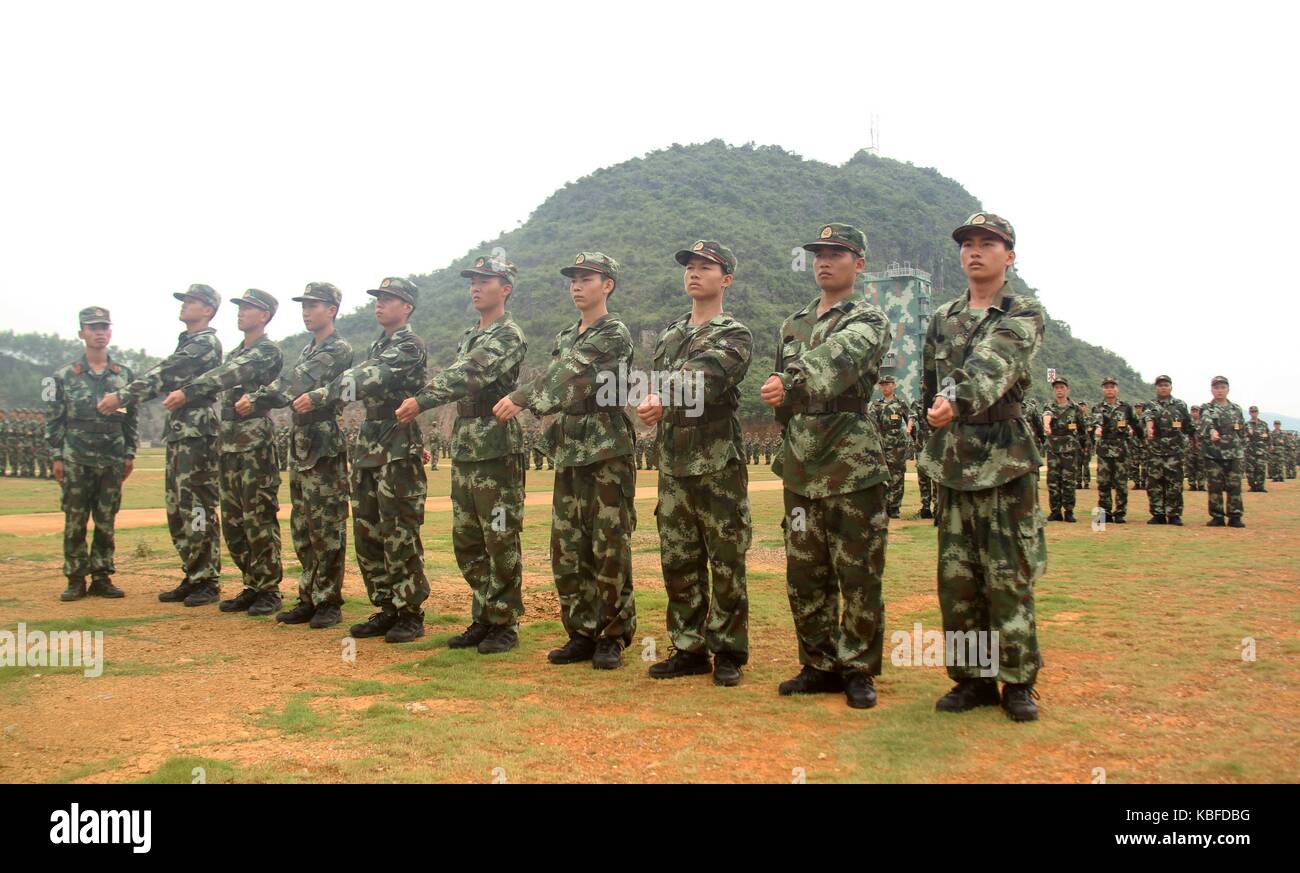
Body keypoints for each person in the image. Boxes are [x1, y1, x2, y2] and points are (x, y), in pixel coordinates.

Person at [920, 212, 1046, 722]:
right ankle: (972, 680)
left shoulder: (1024, 312)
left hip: (1005, 459)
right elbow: (928, 380)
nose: (975, 251)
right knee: (959, 578)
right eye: (968, 244)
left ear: (1009, 256)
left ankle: (1017, 682)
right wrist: (935, 409)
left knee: (1007, 573)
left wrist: (956, 396)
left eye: (988, 244)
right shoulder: (942, 317)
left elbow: (997, 361)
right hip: (953, 459)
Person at [763, 223, 891, 710]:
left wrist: (790, 380)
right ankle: (817, 664)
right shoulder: (792, 324)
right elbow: (782, 395)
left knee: (858, 570)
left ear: (857, 264)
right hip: (800, 462)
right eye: (818, 253)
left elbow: (841, 358)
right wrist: (785, 399)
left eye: (837, 253)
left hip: (851, 461)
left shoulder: (869, 319)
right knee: (805, 570)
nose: (824, 260)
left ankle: (858, 668)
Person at [495, 253, 637, 670]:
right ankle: (581, 631)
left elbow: (569, 373)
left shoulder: (613, 332)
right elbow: (561, 384)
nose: (577, 285)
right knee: (568, 546)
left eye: (586, 278)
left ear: (607, 284)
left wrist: (520, 398)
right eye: (573, 278)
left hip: (606, 446)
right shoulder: (564, 334)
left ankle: (612, 635)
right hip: (571, 446)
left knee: (609, 544)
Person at [397, 254, 529, 655]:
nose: (476, 286)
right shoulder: (471, 334)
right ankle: (484, 615)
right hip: (467, 441)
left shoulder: (509, 335)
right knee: (467, 537)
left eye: (485, 280)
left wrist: (422, 400)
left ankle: (504, 622)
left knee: (499, 535)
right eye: (473, 280)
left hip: (497, 445)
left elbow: (470, 374)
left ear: (504, 289)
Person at [638, 240, 753, 687]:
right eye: (689, 266)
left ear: (725, 278)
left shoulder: (735, 333)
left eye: (706, 266)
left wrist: (660, 396)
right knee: (678, 558)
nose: (694, 272)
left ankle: (727, 650)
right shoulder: (670, 334)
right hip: (674, 460)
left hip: (717, 460)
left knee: (726, 558)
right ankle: (688, 647)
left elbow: (707, 374)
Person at [297, 277, 429, 642]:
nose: (379, 304)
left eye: (389, 299)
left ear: (407, 307)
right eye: (378, 298)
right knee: (368, 531)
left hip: (398, 445)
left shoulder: (409, 344)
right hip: (371, 443)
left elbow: (370, 376)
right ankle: (386, 605)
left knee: (398, 530)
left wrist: (324, 393)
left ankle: (410, 611)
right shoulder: (377, 344)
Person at [100, 285, 223, 606]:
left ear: (208, 310)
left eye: (192, 302)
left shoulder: (205, 343)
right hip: (182, 430)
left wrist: (121, 397)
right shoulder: (189, 342)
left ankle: (206, 579)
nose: (185, 306)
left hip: (197, 433)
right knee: (178, 507)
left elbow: (165, 373)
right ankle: (193, 573)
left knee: (196, 506)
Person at [245, 282, 353, 629]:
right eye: (304, 305)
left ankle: (328, 600)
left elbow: (298, 380)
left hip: (323, 442)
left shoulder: (337, 349)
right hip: (301, 440)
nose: (307, 311)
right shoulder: (309, 348)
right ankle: (308, 596)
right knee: (303, 526)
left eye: (314, 305)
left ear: (332, 309)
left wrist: (258, 398)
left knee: (327, 526)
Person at [170, 289, 285, 615]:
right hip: (230, 442)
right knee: (235, 521)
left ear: (263, 315)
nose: (241, 312)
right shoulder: (234, 351)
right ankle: (251, 583)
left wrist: (188, 391)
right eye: (240, 307)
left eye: (248, 308)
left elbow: (226, 376)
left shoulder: (267, 351)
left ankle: (269, 589)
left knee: (258, 516)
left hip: (255, 443)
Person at [47, 307, 138, 601]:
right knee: (75, 520)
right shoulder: (62, 376)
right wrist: (56, 456)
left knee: (106, 519)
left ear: (110, 333)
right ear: (81, 333)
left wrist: (130, 453)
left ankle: (102, 576)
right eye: (93, 327)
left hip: (112, 456)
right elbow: (54, 419)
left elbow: (130, 418)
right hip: (76, 457)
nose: (99, 332)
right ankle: (75, 578)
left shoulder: (124, 375)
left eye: (104, 327)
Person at [1141, 375, 1192, 525]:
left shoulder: (1180, 405)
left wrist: (1186, 442)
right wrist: (1149, 428)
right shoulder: (1149, 404)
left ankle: (1174, 514)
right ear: (1156, 387)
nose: (1163, 387)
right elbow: (1146, 418)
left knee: (1174, 483)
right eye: (1160, 385)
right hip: (1155, 449)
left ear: (1171, 387)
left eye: (1166, 384)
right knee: (1154, 483)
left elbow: (1188, 426)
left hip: (1175, 450)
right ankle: (1158, 514)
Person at [1198, 376, 1246, 528]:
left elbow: (1241, 429)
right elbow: (1206, 421)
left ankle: (1235, 516)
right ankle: (1217, 516)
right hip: (1214, 453)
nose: (1219, 391)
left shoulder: (1236, 409)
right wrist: (1212, 431)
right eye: (1216, 388)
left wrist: (1240, 446)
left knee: (1235, 485)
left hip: (1234, 453)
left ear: (1228, 390)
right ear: (1212, 390)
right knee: (1214, 486)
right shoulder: (1207, 407)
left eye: (1222, 387)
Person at [1091, 377, 1137, 524]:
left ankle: (1120, 513)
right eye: (1106, 387)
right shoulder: (1098, 407)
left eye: (1112, 387)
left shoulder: (1126, 408)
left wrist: (1143, 438)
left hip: (1121, 449)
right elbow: (1096, 421)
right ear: (1103, 390)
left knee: (1121, 483)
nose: (1109, 389)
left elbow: (1136, 424)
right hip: (1104, 449)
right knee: (1103, 483)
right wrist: (1097, 428)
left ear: (1117, 389)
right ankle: (1104, 514)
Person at [870, 375, 911, 519]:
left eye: (888, 384)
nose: (885, 387)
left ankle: (895, 508)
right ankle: (883, 507)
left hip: (898, 448)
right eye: (882, 385)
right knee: (882, 478)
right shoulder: (875, 405)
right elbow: (871, 425)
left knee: (898, 477)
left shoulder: (900, 403)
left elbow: (911, 417)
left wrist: (910, 432)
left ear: (894, 386)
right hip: (881, 447)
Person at [1043, 377, 1081, 522]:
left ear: (1067, 389)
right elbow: (1046, 415)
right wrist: (1046, 426)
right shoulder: (1049, 406)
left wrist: (1083, 446)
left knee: (1069, 481)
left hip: (1069, 449)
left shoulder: (1075, 408)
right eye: (1056, 388)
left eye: (1062, 387)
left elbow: (1082, 428)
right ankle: (1055, 511)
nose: (1059, 390)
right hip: (1053, 448)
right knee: (1053, 480)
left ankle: (1069, 511)